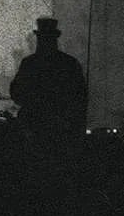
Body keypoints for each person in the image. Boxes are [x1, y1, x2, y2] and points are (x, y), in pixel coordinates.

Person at [9, 17, 87, 150]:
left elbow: (16, 93)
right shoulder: (69, 63)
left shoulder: (29, 64)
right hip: (61, 130)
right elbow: (81, 97)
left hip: (35, 129)